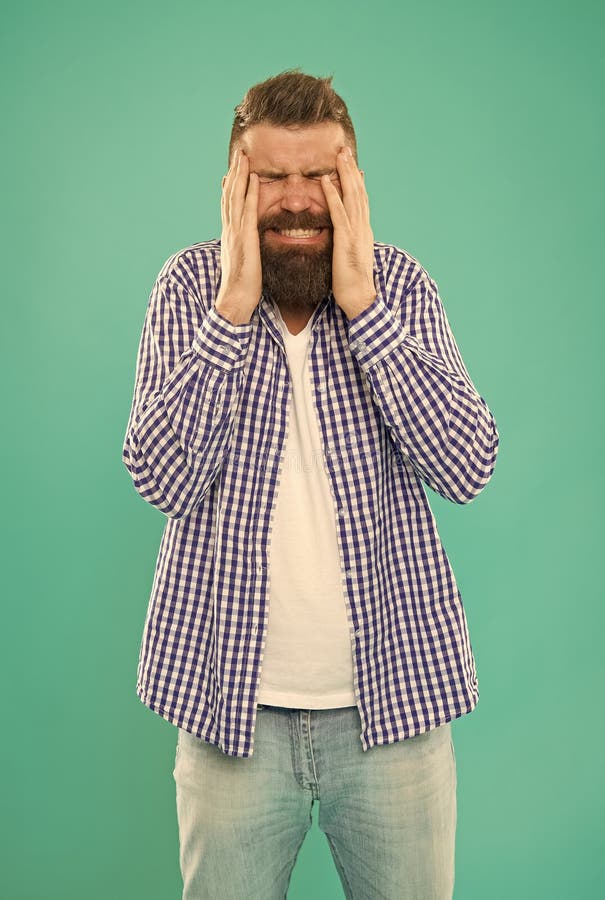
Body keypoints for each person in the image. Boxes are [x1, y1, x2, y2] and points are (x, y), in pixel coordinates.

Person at [122, 69, 499, 900]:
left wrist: (364, 309)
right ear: (234, 184)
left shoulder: (399, 286)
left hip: (394, 714)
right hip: (229, 716)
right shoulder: (188, 290)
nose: (296, 201)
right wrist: (231, 310)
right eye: (270, 177)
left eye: (320, 175)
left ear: (352, 181)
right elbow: (160, 476)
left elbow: (467, 463)